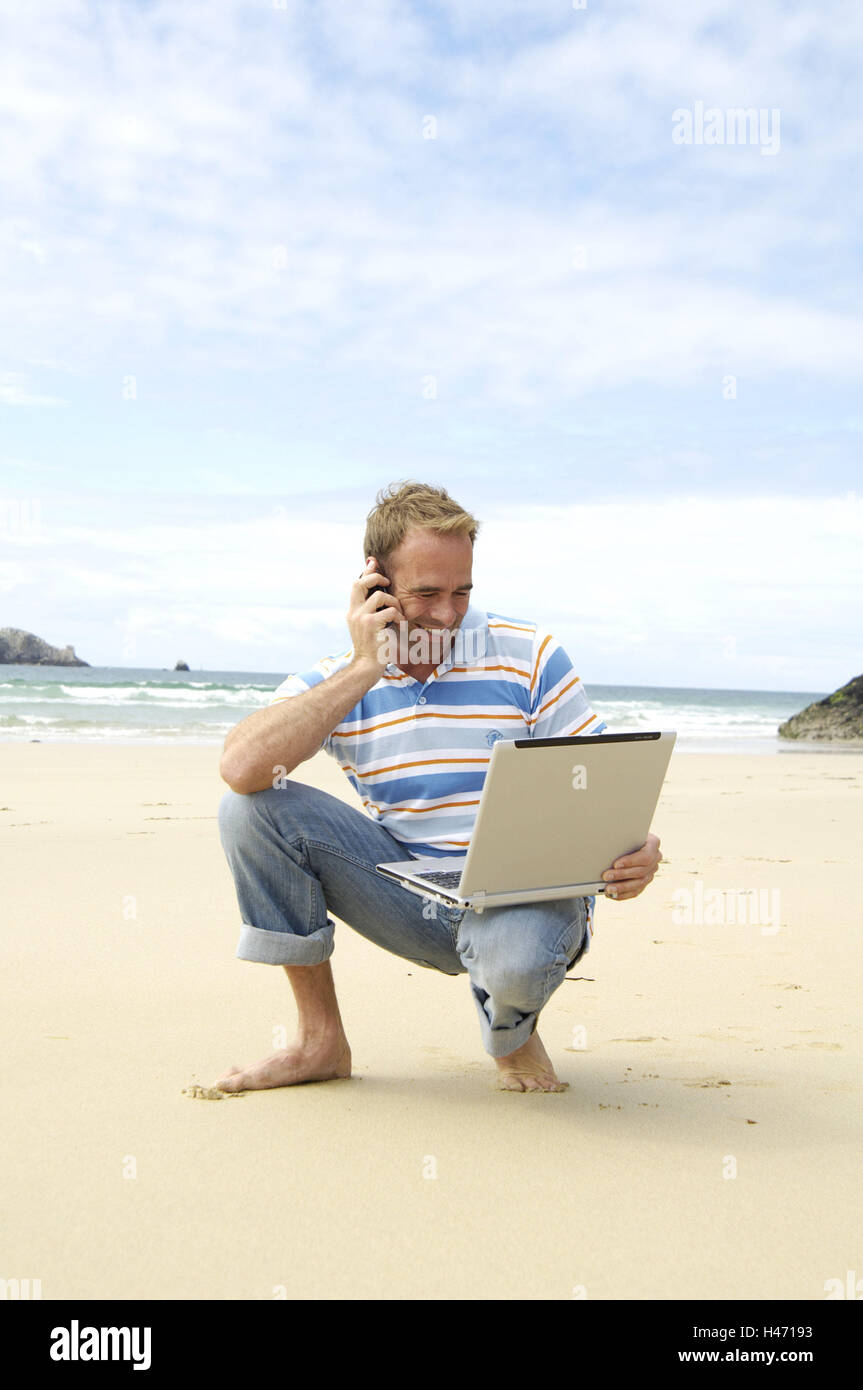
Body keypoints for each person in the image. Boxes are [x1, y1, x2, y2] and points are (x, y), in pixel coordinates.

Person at [216, 481, 662, 1093]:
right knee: (251, 812)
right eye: (426, 592)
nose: (448, 613)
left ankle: (514, 1035)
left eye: (462, 591)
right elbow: (243, 768)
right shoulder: (340, 677)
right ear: (375, 584)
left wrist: (632, 848)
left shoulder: (529, 654)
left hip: (524, 898)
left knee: (513, 957)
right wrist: (366, 667)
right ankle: (320, 1041)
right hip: (411, 896)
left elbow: (600, 782)